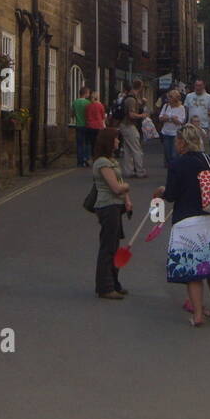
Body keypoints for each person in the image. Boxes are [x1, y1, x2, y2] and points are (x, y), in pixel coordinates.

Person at [153, 124, 210, 326]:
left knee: (194, 273)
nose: (176, 144)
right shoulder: (209, 160)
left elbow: (171, 195)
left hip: (188, 223)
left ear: (183, 142)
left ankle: (197, 316)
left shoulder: (177, 164)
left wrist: (162, 191)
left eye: (178, 141)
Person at [90, 127, 133, 300]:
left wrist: (127, 200)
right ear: (108, 141)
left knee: (114, 247)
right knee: (107, 247)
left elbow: (119, 182)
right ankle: (104, 287)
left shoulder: (112, 161)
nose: (118, 141)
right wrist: (126, 187)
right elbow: (116, 187)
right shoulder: (102, 163)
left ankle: (114, 283)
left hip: (116, 206)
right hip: (107, 206)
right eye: (115, 139)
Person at [120, 79, 147, 180]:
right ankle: (140, 172)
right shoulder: (131, 99)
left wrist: (142, 104)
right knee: (137, 149)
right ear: (140, 87)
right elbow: (131, 114)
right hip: (129, 125)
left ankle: (128, 171)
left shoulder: (130, 97)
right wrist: (142, 115)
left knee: (127, 150)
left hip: (124, 125)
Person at [156, 89, 187, 169]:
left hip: (176, 134)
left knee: (175, 154)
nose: (168, 98)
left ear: (176, 98)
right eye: (168, 96)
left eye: (170, 97)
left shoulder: (181, 108)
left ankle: (174, 167)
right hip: (166, 132)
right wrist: (172, 118)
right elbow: (160, 118)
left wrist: (168, 118)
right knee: (167, 152)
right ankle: (170, 166)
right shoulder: (166, 106)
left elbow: (180, 121)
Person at [72, 84, 93, 167]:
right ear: (86, 93)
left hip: (78, 125)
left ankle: (79, 161)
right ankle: (86, 159)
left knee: (79, 144)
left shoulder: (75, 102)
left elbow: (72, 114)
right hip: (87, 125)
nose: (89, 95)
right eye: (88, 93)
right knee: (87, 143)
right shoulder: (88, 103)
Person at [85, 90, 105, 156]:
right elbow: (103, 116)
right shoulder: (100, 106)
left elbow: (87, 116)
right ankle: (98, 155)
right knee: (98, 142)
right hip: (99, 125)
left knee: (92, 142)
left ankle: (92, 155)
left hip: (90, 126)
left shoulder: (88, 106)